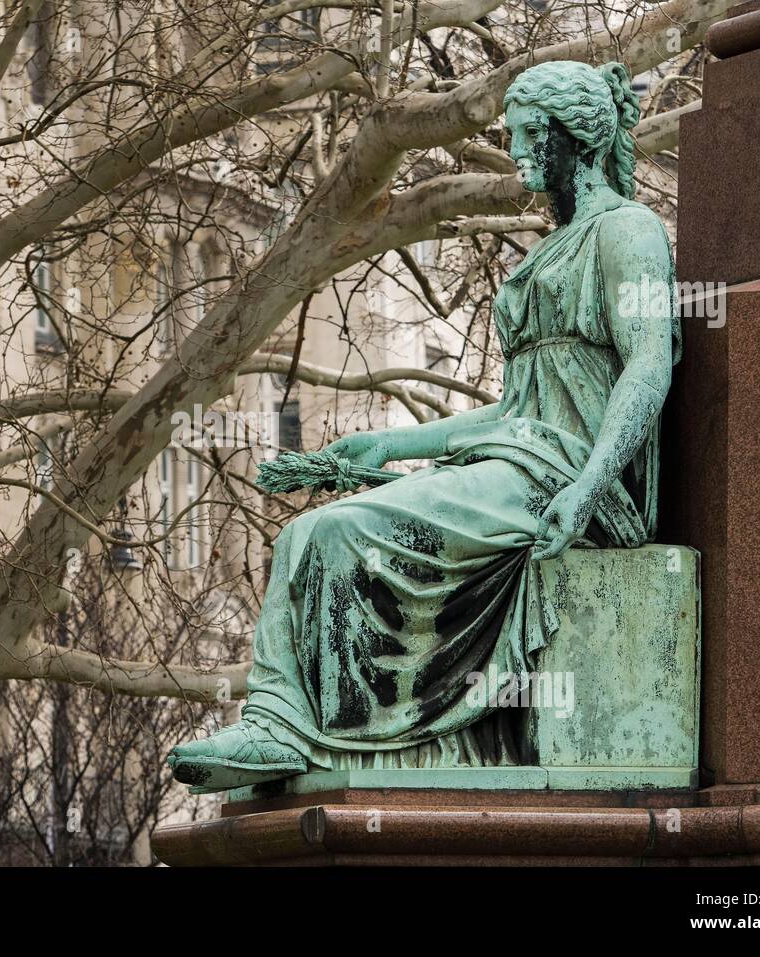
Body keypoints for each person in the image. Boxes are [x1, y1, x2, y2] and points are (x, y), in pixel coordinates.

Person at [168, 60, 679, 792]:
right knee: (301, 533)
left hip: (565, 484)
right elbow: (514, 410)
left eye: (533, 134)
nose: (517, 149)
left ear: (581, 140)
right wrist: (390, 444)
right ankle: (278, 722)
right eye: (512, 134)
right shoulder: (549, 253)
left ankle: (305, 732)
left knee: (335, 534)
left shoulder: (628, 231)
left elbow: (648, 368)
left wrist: (591, 486)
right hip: (518, 465)